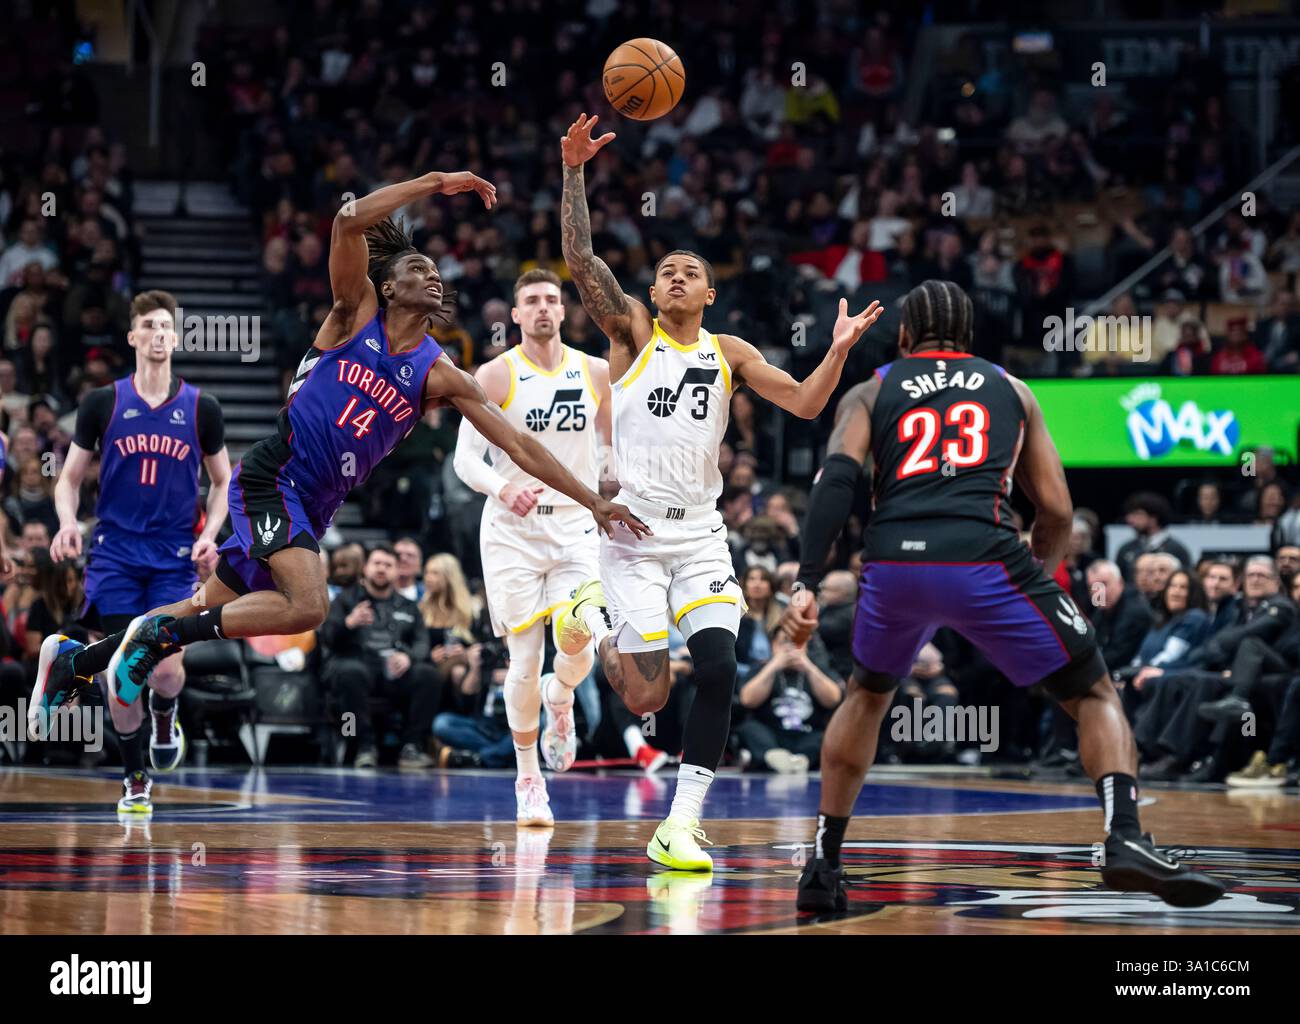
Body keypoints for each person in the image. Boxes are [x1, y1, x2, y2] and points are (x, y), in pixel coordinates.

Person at [34, 169, 649, 775]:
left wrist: (592, 501)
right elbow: (349, 218)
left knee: (201, 603)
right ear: (388, 285)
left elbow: (520, 443)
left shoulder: (440, 374)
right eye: (417, 268)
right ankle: (152, 642)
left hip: (315, 505)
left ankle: (76, 661)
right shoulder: (354, 315)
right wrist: (435, 182)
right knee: (308, 605)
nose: (431, 275)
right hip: (276, 477)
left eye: (436, 272)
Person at [781, 278, 1225, 912]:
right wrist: (1034, 580)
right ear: (970, 337)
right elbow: (1058, 509)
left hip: (894, 561)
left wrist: (806, 578)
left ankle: (824, 864)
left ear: (905, 335)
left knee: (868, 696)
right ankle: (1123, 837)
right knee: (1095, 691)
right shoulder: (1012, 389)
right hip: (985, 555)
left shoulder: (872, 387)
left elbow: (836, 483)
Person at [550, 113, 884, 872]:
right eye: (664, 269)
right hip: (631, 536)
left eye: (688, 271)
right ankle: (587, 622)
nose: (673, 276)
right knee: (646, 699)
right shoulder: (632, 331)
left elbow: (803, 403)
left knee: (720, 665)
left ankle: (680, 822)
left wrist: (834, 354)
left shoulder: (728, 351)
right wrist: (574, 171)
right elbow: (579, 258)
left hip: (700, 534)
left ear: (707, 292)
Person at [32, 290, 230, 816]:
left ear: (176, 336)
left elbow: (222, 481)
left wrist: (209, 532)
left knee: (164, 672)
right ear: (133, 336)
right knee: (123, 669)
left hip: (172, 557)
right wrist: (68, 522)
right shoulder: (103, 402)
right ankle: (134, 776)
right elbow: (69, 479)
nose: (160, 333)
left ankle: (163, 714)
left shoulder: (201, 408)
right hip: (115, 553)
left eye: (168, 325)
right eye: (151, 325)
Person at [451, 267, 610, 825]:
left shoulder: (596, 372)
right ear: (515, 316)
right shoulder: (494, 376)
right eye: (532, 301)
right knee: (522, 660)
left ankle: (560, 697)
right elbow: (465, 459)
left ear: (565, 310)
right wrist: (502, 485)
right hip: (512, 535)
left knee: (581, 637)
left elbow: (614, 451)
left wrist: (611, 488)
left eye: (552, 299)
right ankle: (527, 777)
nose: (543, 307)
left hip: (573, 527)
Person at [319, 545, 439, 769]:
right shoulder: (345, 600)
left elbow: (422, 642)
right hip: (354, 665)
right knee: (349, 674)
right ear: (365, 568)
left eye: (388, 565)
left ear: (396, 571)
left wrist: (408, 656)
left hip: (392, 670)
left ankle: (411, 746)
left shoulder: (408, 605)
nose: (382, 569)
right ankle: (359, 745)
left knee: (428, 676)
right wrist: (349, 623)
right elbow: (327, 638)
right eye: (377, 563)